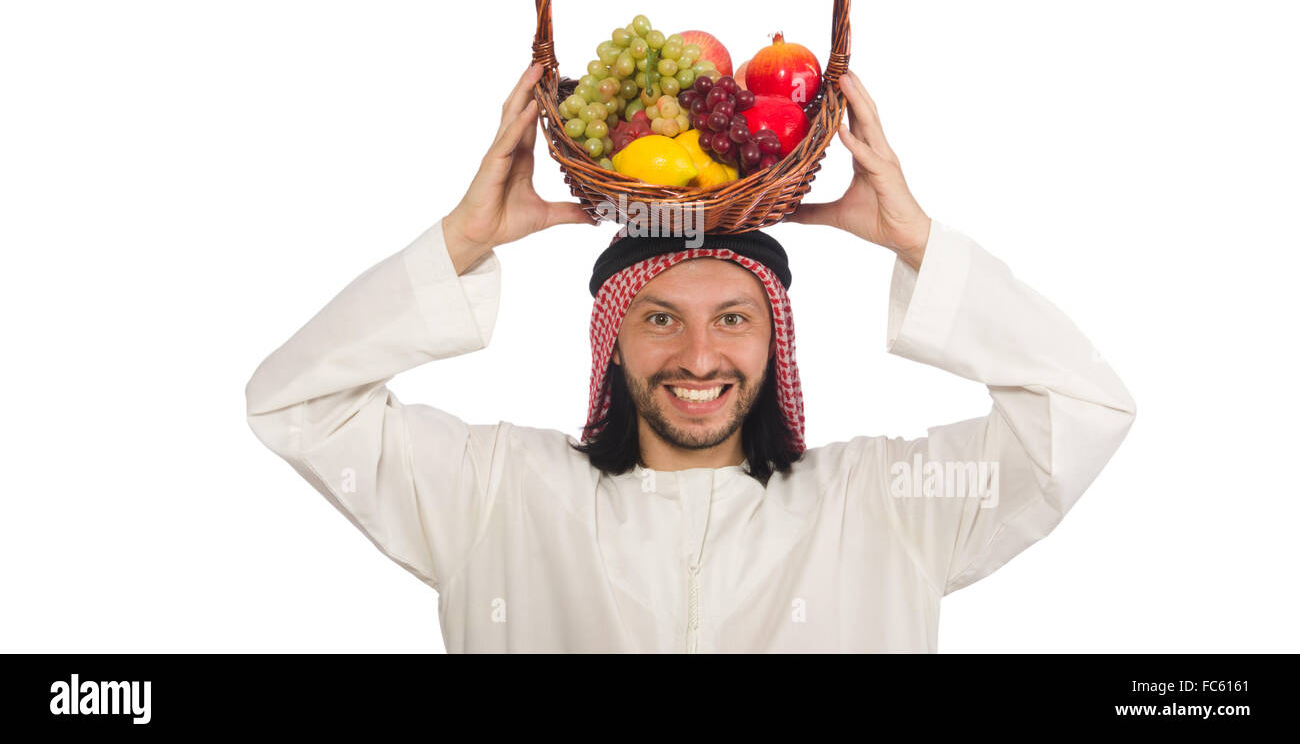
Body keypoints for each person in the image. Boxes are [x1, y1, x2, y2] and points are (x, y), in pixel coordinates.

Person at [244, 62, 1137, 653]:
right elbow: (294, 404)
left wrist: (919, 243)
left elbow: (1082, 414)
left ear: (775, 336)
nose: (700, 353)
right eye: (661, 317)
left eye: (734, 318)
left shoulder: (884, 505)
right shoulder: (496, 493)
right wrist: (459, 241)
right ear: (613, 339)